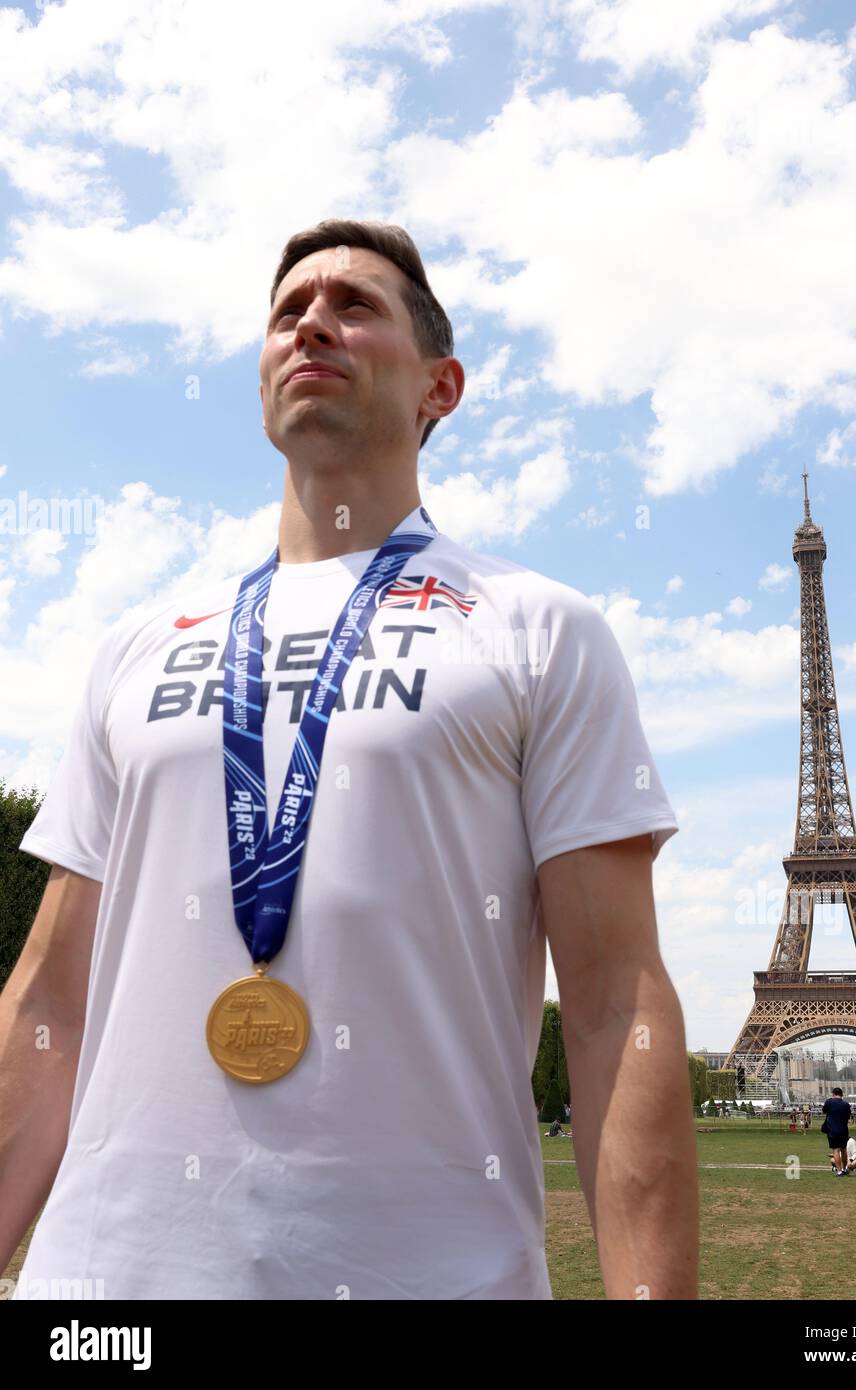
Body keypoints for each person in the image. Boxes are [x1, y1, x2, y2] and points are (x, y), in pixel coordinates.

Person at [1, 219, 696, 1302]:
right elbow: (51, 998)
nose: (310, 320)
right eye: (287, 310)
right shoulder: (139, 644)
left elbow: (612, 1006)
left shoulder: (537, 629)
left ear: (440, 387)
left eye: (353, 305)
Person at [822, 1087, 853, 1176]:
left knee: (836, 1150)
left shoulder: (829, 1102)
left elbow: (824, 1111)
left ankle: (839, 1171)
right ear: (842, 1094)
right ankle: (844, 1169)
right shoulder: (846, 1104)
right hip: (844, 1130)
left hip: (832, 1130)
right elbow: (848, 1116)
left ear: (833, 1094)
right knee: (843, 1150)